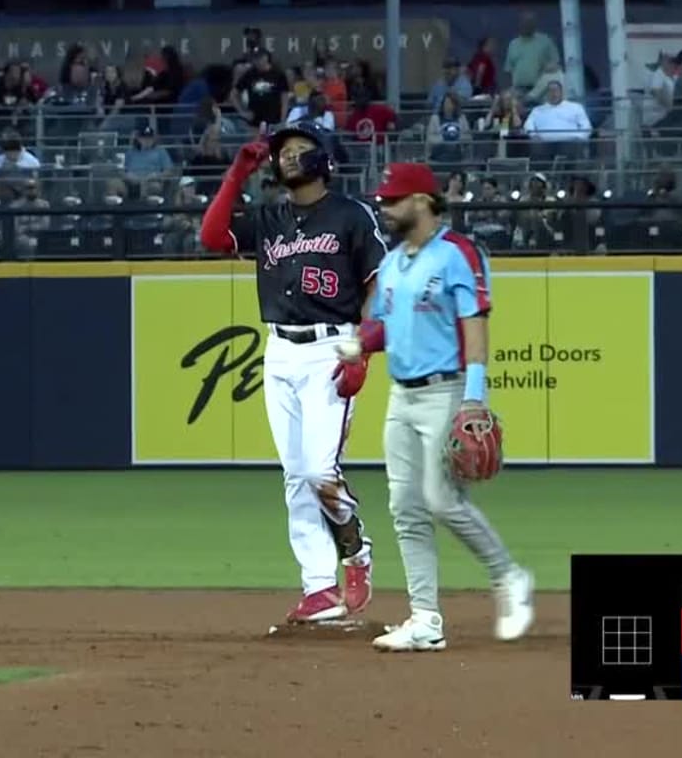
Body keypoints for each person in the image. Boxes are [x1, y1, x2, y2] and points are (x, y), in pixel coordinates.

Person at [338, 163, 534, 652]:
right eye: (382, 200)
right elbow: (385, 324)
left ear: (423, 201)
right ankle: (425, 618)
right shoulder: (391, 264)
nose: (384, 208)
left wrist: (474, 396)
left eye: (392, 199)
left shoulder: (457, 254)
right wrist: (360, 342)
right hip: (401, 396)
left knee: (442, 500)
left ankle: (509, 576)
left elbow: (475, 328)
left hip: (447, 392)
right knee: (405, 507)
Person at [197, 120, 386, 624]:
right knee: (294, 478)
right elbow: (212, 235)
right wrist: (237, 173)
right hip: (279, 350)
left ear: (323, 159)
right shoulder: (270, 218)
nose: (287, 157)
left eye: (299, 149)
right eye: (281, 152)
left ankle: (356, 549)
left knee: (318, 471)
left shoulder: (350, 214)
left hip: (331, 347)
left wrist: (362, 351)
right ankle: (319, 586)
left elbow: (378, 285)